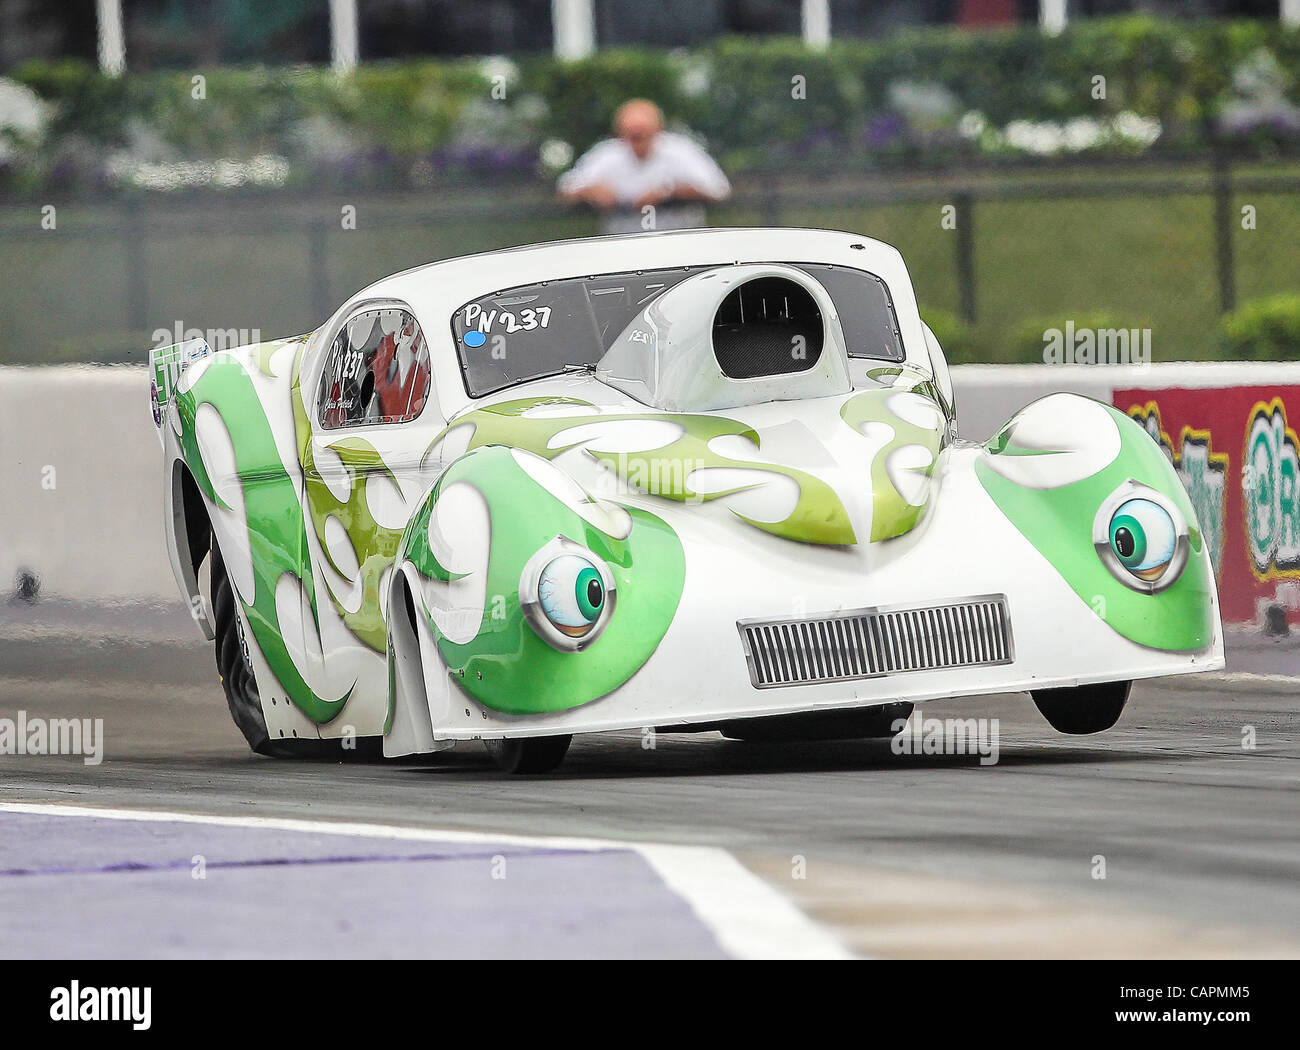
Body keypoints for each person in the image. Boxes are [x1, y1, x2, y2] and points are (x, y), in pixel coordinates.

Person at [557, 99, 731, 235]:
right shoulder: (607, 154)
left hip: (679, 244)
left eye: (642, 135)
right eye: (631, 136)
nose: (636, 142)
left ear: (657, 130)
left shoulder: (681, 152)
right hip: (622, 247)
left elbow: (719, 189)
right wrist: (592, 190)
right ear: (620, 133)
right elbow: (566, 189)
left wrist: (669, 192)